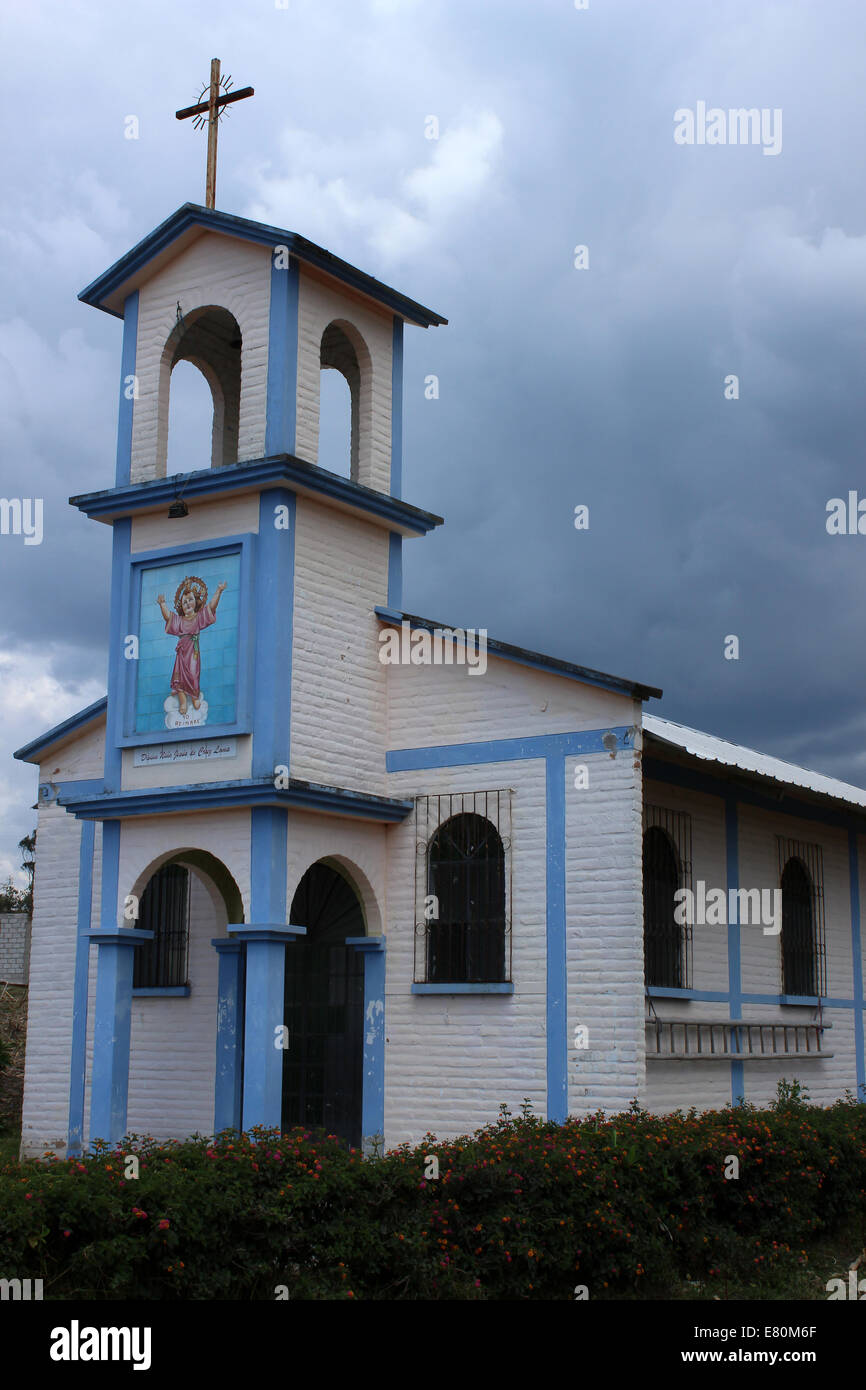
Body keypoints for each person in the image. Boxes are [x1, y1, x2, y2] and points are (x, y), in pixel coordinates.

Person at [156, 575, 226, 716]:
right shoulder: (180, 620)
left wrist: (219, 591)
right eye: (184, 602)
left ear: (196, 602)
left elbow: (211, 607)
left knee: (193, 675)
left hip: (193, 653)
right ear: (181, 606)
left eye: (190, 600)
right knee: (179, 678)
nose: (187, 603)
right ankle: (183, 702)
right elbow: (168, 617)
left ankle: (194, 697)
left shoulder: (199, 617)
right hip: (182, 653)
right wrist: (162, 604)